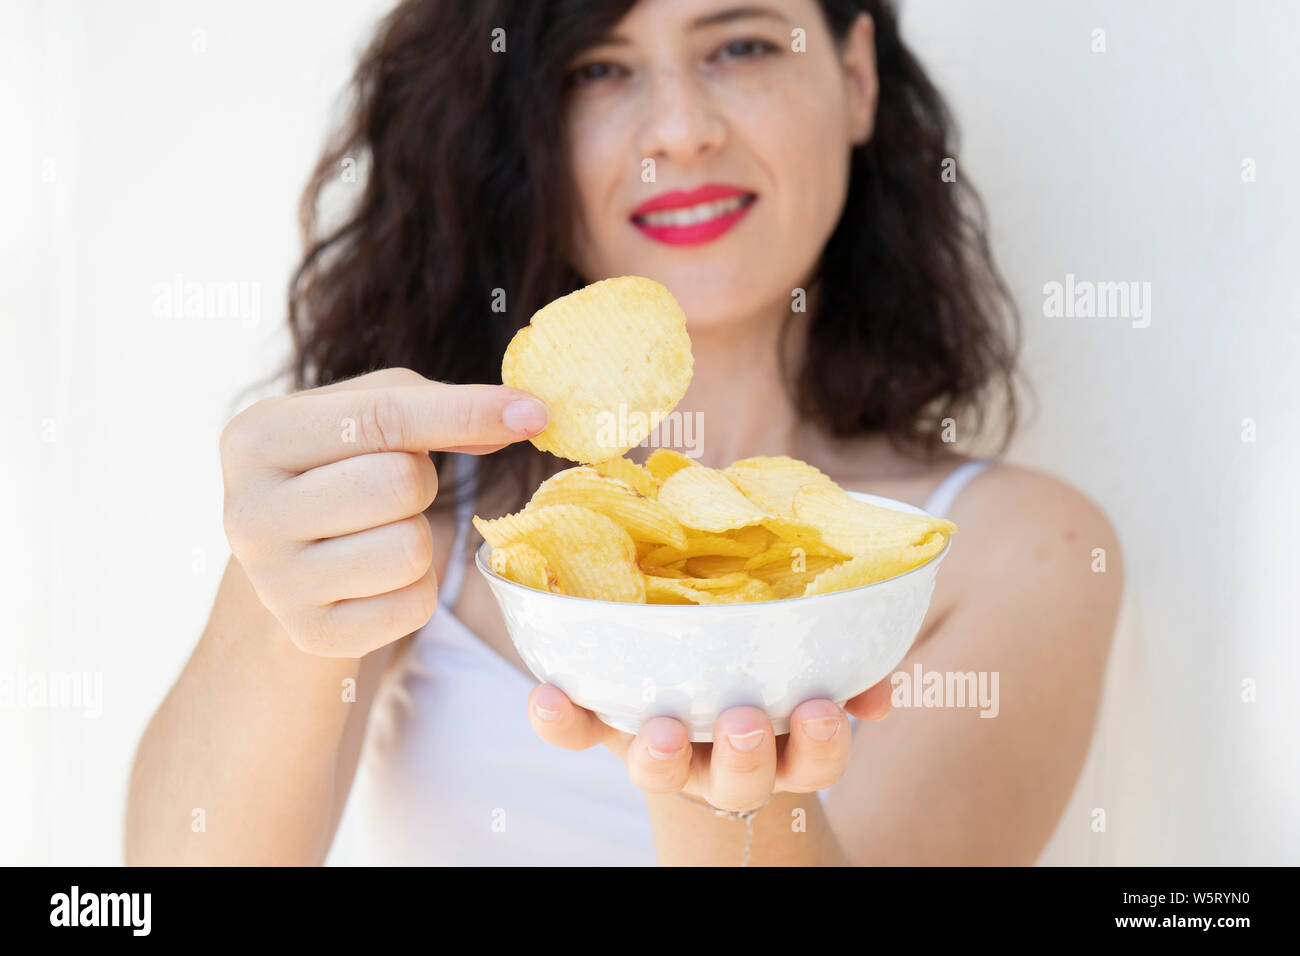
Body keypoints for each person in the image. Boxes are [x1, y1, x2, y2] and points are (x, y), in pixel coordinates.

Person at [126, 0, 1123, 866]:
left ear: (854, 76)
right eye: (596, 69)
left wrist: (727, 796)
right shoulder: (418, 511)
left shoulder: (1017, 551)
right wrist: (274, 597)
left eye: (739, 46)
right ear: (519, 130)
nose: (680, 130)